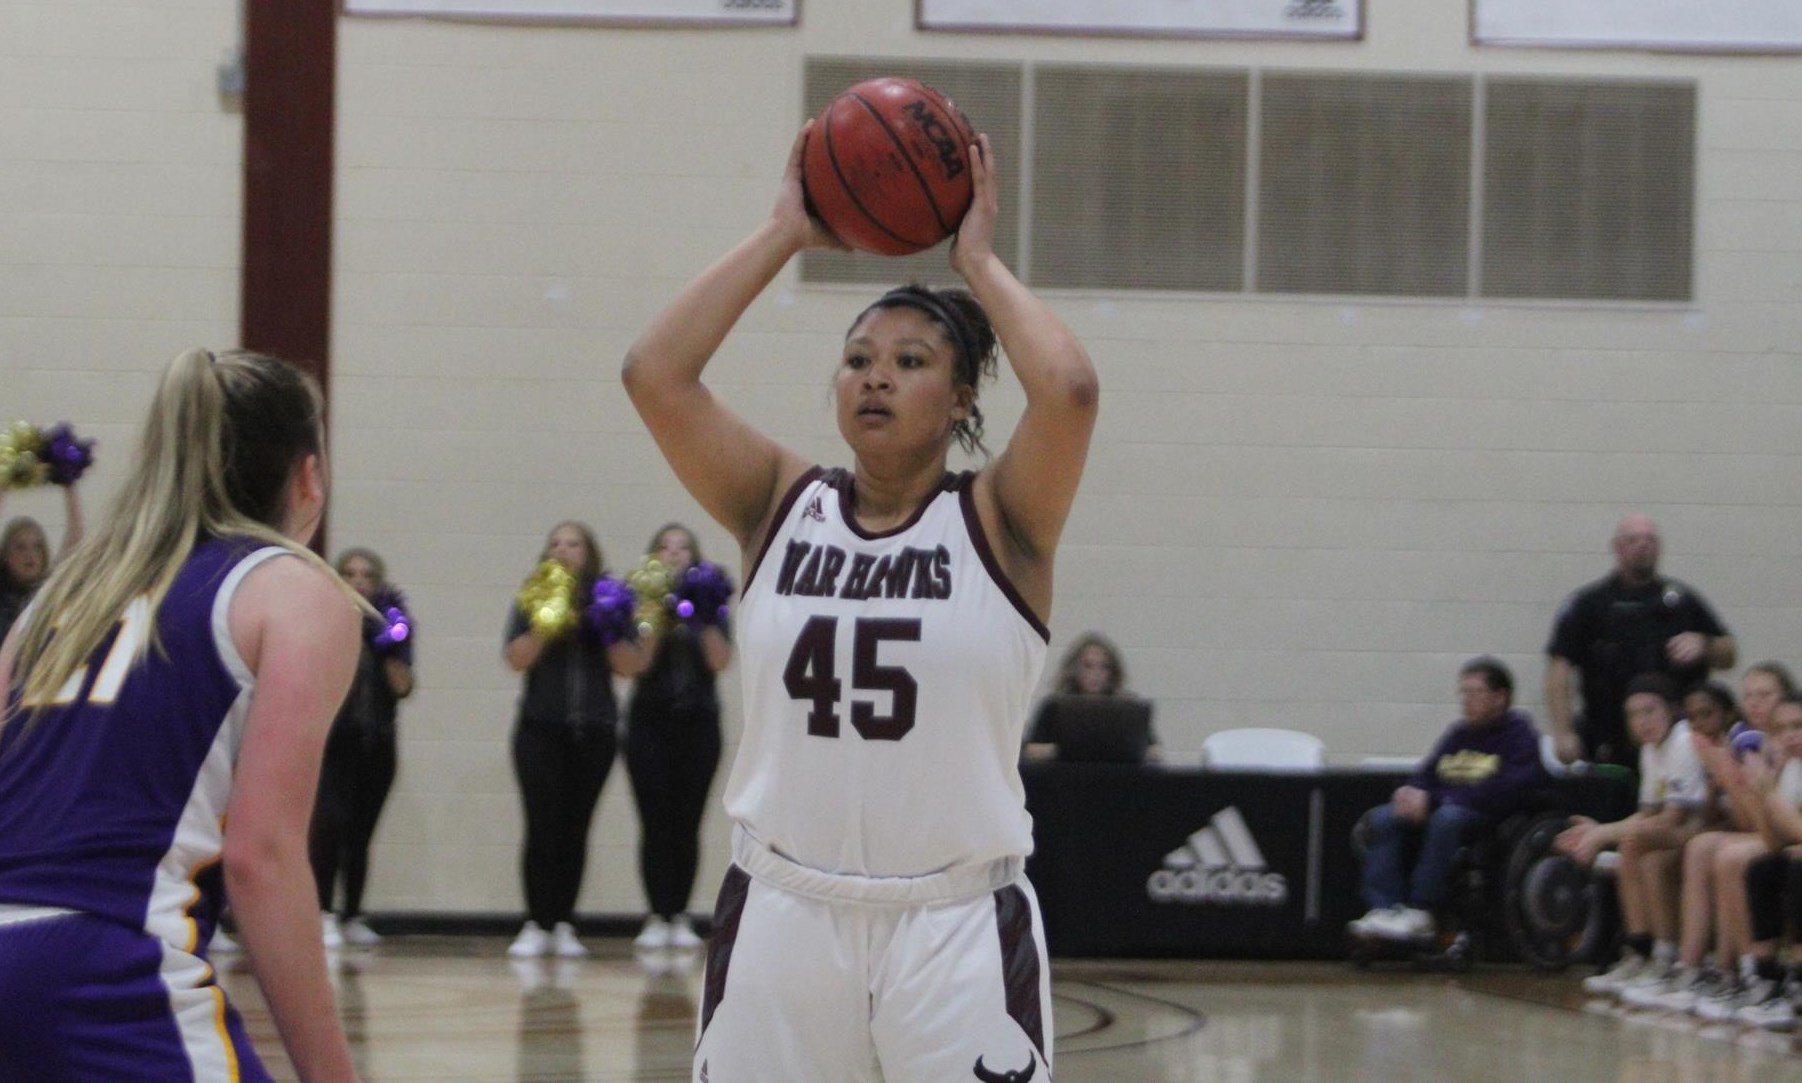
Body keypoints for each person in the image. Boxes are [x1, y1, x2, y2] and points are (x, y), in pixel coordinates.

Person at [623, 122, 1096, 1081]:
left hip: (955, 922)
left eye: (912, 361)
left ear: (961, 399)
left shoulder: (1001, 520)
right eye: (857, 357)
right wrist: (784, 234)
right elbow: (653, 373)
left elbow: (1071, 391)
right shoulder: (776, 501)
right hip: (782, 911)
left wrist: (978, 262)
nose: (876, 374)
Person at [0, 349, 363, 1081]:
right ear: (308, 474)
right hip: (104, 962)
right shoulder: (291, 592)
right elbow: (261, 859)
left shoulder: (59, 599)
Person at [503, 521, 651, 960]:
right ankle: (537, 923)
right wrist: (547, 621)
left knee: (575, 827)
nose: (563, 550)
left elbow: (630, 667)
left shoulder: (612, 598)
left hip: (595, 731)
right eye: (555, 543)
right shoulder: (532, 594)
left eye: (573, 543)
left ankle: (564, 922)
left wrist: (605, 626)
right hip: (539, 729)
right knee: (541, 826)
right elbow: (515, 658)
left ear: (590, 552)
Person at [1348, 656, 1547, 941]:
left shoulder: (1519, 735)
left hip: (1487, 814)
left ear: (1499, 697)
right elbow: (1427, 773)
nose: (1466, 700)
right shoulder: (1458, 734)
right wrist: (1412, 793)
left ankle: (1423, 911)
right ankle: (1384, 909)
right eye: (1463, 693)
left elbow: (1508, 788)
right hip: (1445, 805)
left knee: (1447, 819)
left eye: (1475, 693)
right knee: (1384, 818)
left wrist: (1437, 801)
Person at [1545, 514, 1735, 768]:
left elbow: (1729, 654)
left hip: (1674, 736)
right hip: (1607, 733)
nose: (1643, 546)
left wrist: (1705, 645)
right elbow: (1559, 669)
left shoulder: (1682, 601)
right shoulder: (1589, 604)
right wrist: (1564, 730)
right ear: (1617, 547)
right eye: (1633, 540)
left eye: (1650, 540)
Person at [1566, 674, 1711, 999]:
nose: (1642, 721)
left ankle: (1665, 957)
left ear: (1672, 710)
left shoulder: (1683, 742)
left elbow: (1673, 818)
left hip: (1707, 829)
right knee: (1634, 849)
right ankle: (1641, 950)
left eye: (1649, 711)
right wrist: (1599, 832)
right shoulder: (1650, 749)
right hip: (1682, 833)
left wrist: (1602, 834)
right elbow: (1648, 815)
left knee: (1645, 855)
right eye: (1633, 714)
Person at [626, 523, 733, 952]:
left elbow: (720, 660)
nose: (674, 553)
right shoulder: (637, 601)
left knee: (687, 822)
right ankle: (657, 914)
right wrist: (653, 613)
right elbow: (637, 664)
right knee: (654, 821)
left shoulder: (711, 601)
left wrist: (701, 613)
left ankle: (680, 914)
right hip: (649, 722)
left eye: (683, 547)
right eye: (665, 547)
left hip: (698, 722)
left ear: (694, 556)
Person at [310, 547, 415, 950]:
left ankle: (352, 914)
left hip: (377, 742)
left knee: (361, 832)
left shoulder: (393, 626)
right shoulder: (323, 623)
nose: (358, 582)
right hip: (334, 743)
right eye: (350, 574)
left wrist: (391, 645)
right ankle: (323, 912)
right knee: (330, 827)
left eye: (367, 575)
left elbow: (403, 687)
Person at [1022, 631, 1161, 763]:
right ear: (1075, 669)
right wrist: (1063, 749)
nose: (1096, 674)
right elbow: (1029, 749)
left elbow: (1156, 750)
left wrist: (1129, 750)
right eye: (1088, 666)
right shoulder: (1055, 706)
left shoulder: (1127, 708)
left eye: (1104, 667)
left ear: (1113, 672)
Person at [0, 480, 85, 639]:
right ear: (6, 556)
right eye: (20, 547)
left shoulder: (48, 589)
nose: (30, 554)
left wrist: (69, 484)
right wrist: (4, 482)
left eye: (37, 547)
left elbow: (75, 544)